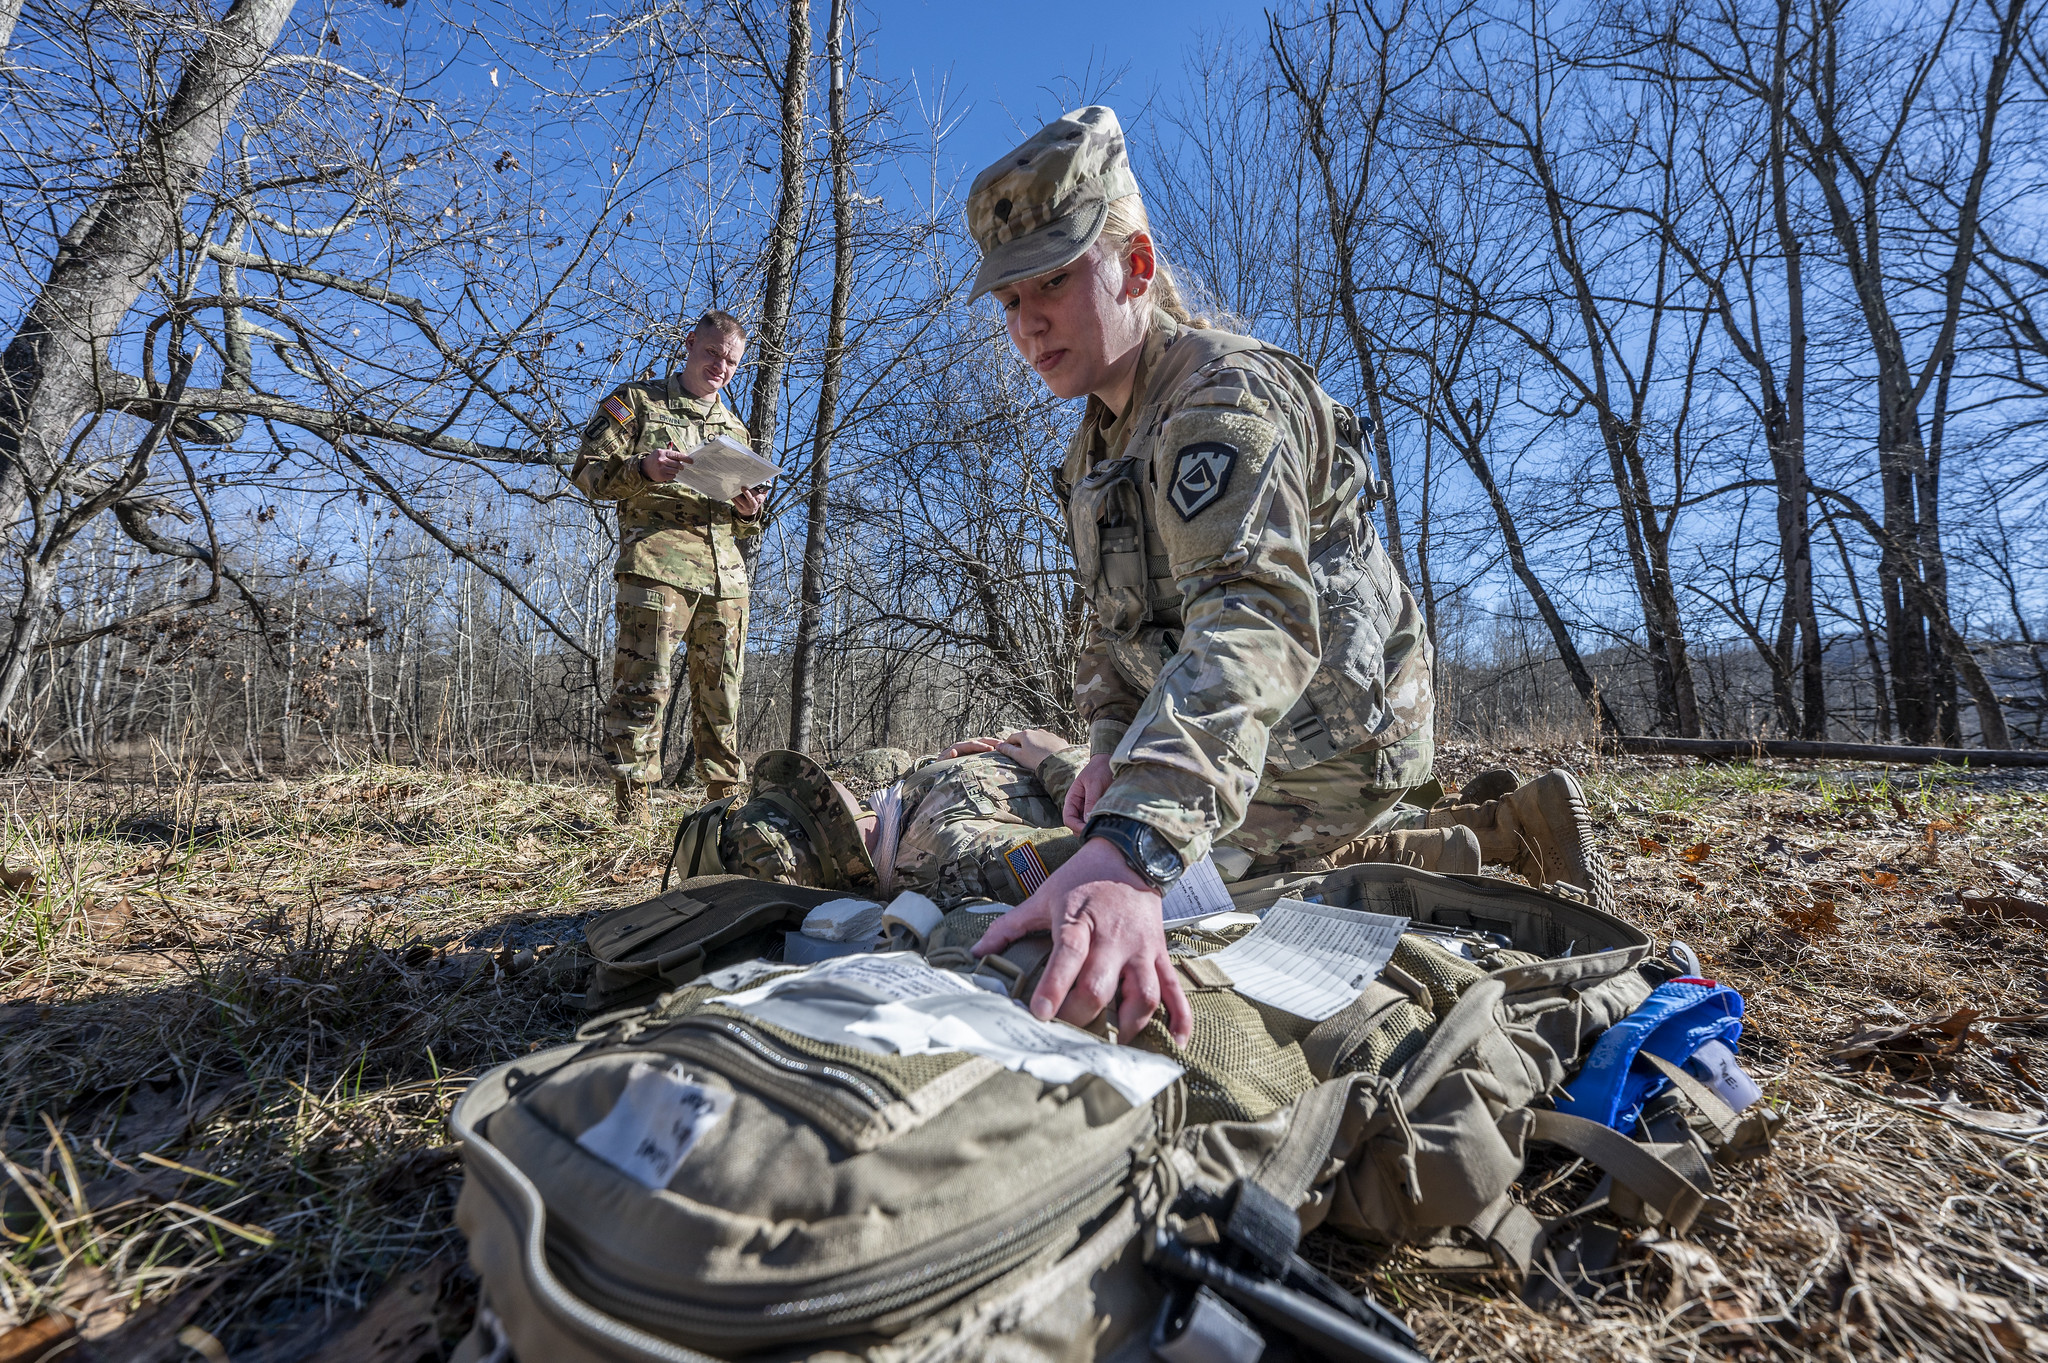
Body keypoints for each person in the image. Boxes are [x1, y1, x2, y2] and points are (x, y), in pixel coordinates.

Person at [957, 106, 1611, 1048]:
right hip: (1260, 724)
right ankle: (1484, 825)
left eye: (1054, 279)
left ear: (1136, 266)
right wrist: (1105, 745)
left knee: (1143, 887)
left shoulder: (1221, 398)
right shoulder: (1095, 445)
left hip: (1338, 733)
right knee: (1092, 827)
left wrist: (1135, 847)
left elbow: (1253, 617)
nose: (1027, 321)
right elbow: (1113, 629)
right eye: (1010, 300)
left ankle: (1493, 839)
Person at [571, 311, 765, 826]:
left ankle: (724, 815)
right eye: (712, 353)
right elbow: (587, 473)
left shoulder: (734, 429)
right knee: (643, 691)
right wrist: (643, 469)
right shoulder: (637, 401)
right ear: (690, 343)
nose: (720, 366)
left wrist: (749, 512)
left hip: (725, 581)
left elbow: (741, 525)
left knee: (723, 699)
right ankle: (633, 815)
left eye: (731, 361)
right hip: (657, 568)